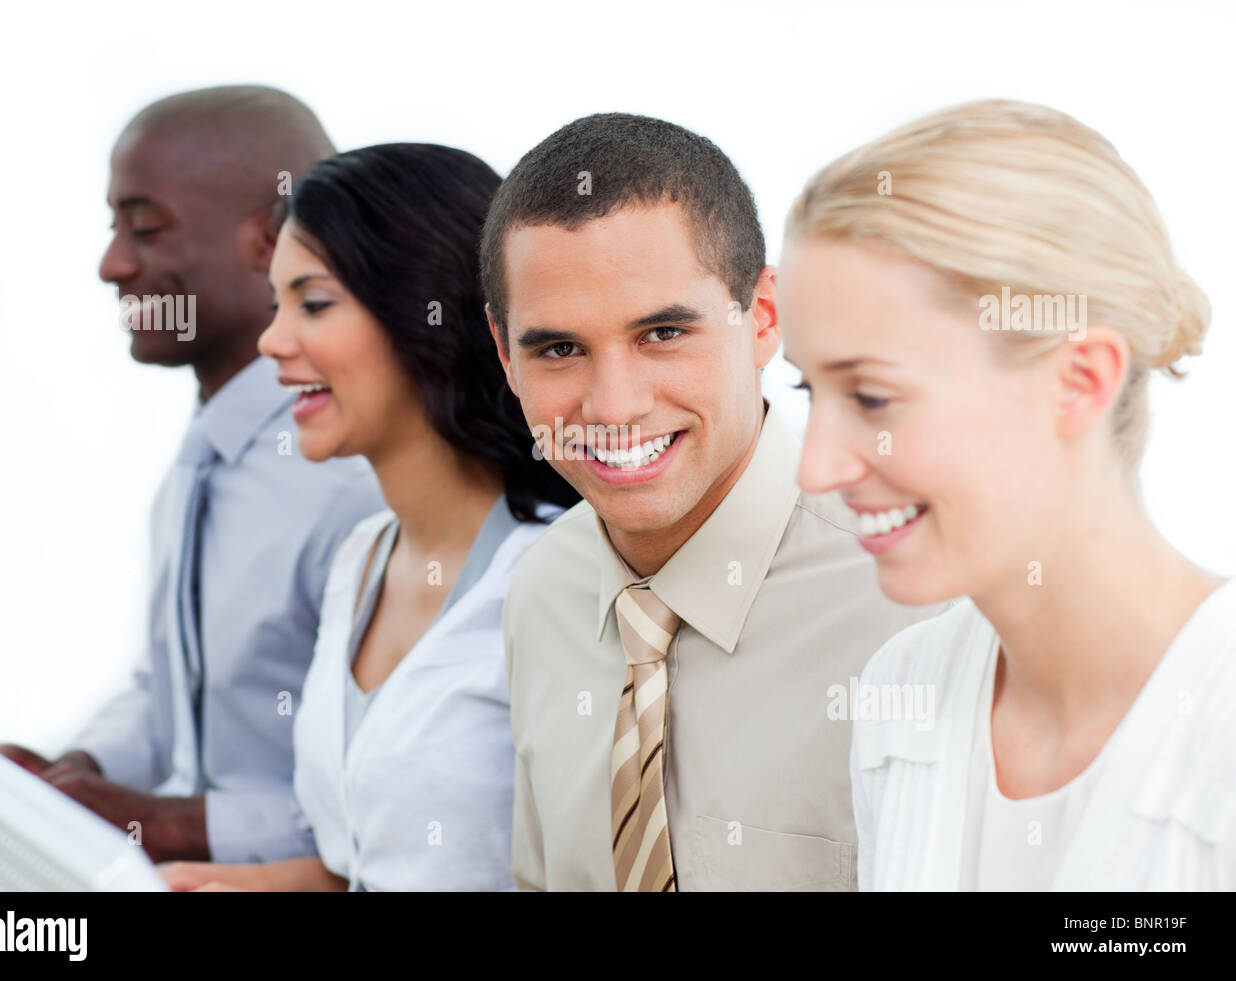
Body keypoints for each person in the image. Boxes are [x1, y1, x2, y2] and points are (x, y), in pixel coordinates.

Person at [482, 113, 948, 891]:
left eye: (662, 332)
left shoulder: (918, 601)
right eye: (559, 348)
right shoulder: (541, 593)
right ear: (505, 354)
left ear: (763, 316)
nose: (614, 406)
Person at [776, 99, 1233, 890]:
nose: (815, 470)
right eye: (811, 391)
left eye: (873, 398)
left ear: (1079, 381)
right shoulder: (902, 689)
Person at [159, 142, 580, 892]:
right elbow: (358, 867)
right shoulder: (360, 558)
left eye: (313, 303)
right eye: (274, 305)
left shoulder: (555, 575)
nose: (272, 342)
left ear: (425, 307)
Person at [0, 86, 384, 864]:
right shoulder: (204, 457)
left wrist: (165, 821)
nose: (113, 264)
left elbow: (389, 798)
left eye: (145, 227)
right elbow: (169, 683)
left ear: (272, 240)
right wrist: (77, 771)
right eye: (114, 227)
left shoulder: (355, 484)